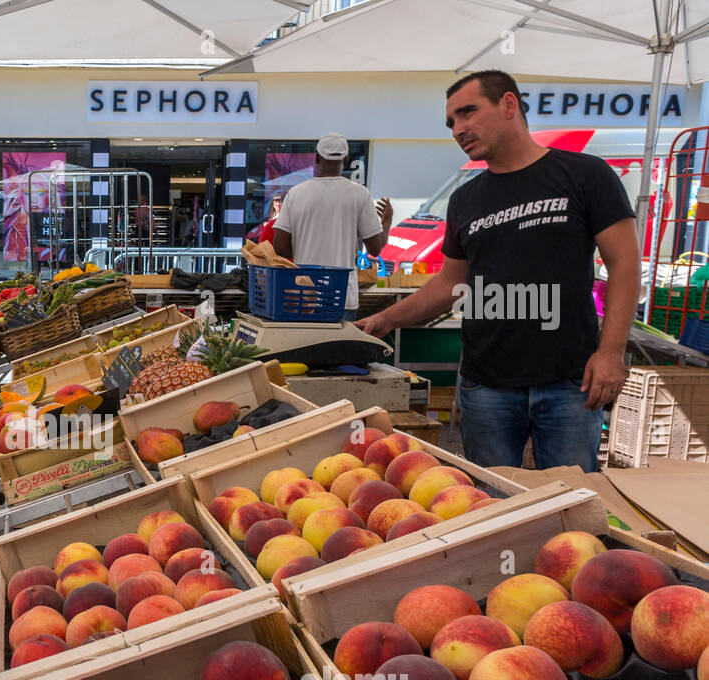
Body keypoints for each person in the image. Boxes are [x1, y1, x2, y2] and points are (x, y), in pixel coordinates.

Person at [356, 71, 638, 472]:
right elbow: (450, 283)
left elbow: (625, 263)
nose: (458, 128)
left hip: (568, 382)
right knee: (489, 505)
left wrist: (611, 352)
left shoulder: (585, 175)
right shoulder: (466, 199)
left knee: (570, 503)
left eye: (468, 113)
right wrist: (386, 319)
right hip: (485, 385)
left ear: (509, 105)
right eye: (452, 122)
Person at [269, 135, 392, 324]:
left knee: (303, 353)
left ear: (317, 158)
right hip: (341, 298)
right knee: (338, 353)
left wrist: (305, 253)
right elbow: (375, 249)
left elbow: (279, 246)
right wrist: (386, 223)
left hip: (304, 296)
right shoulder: (359, 194)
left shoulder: (296, 193)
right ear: (345, 160)